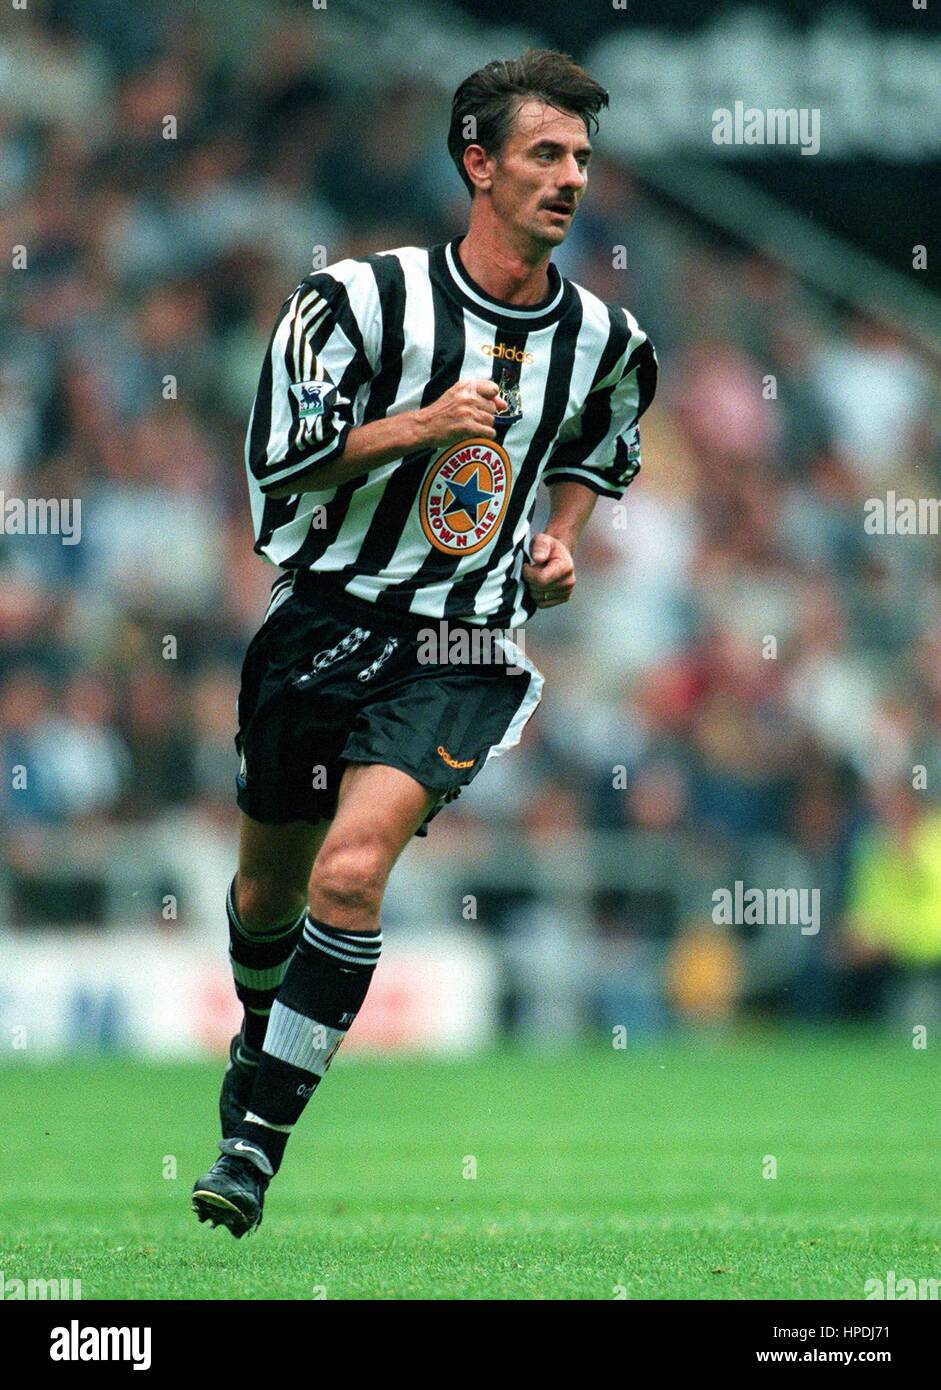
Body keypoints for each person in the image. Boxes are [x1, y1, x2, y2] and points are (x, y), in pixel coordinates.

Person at [192, 48, 658, 1237]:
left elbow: (598, 455)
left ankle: (253, 1148)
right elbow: (276, 462)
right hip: (322, 620)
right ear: (476, 163)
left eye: (581, 160)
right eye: (544, 154)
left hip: (459, 643)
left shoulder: (606, 339)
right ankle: (261, 1048)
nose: (567, 179)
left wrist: (558, 543)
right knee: (265, 892)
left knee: (351, 874)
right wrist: (422, 425)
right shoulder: (353, 301)